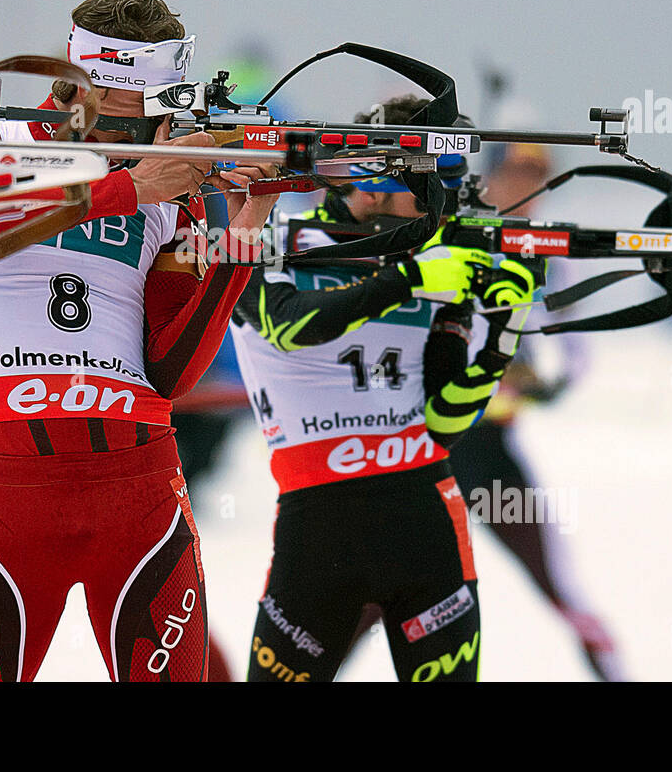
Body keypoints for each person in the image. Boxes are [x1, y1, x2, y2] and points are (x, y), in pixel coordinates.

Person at [0, 0, 279, 682]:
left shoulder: (174, 190)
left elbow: (171, 369)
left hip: (140, 490)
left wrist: (244, 228)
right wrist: (129, 189)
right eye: (123, 117)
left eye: (154, 116)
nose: (141, 137)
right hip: (10, 497)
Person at [229, 95, 540, 682]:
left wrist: (505, 325)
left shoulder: (431, 254)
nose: (440, 208)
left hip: (425, 519)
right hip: (318, 528)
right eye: (426, 190)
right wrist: (410, 277)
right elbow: (290, 325)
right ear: (369, 182)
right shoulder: (272, 240)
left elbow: (446, 422)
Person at [445, 142, 625, 681]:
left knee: (561, 590)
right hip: (425, 454)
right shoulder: (448, 233)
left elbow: (576, 350)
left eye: (539, 179)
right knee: (374, 596)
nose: (528, 191)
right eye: (518, 175)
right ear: (491, 177)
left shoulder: (544, 250)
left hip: (489, 457)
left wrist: (543, 384)